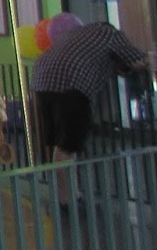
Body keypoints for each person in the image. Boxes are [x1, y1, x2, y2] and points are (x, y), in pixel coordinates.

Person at [30, 12, 147, 175]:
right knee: (69, 145)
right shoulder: (110, 34)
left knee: (58, 143)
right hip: (71, 86)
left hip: (40, 81)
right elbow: (135, 59)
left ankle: (66, 192)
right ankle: (67, 197)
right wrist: (146, 63)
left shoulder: (74, 36)